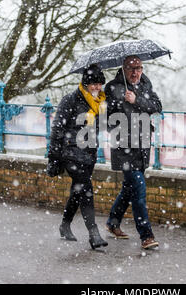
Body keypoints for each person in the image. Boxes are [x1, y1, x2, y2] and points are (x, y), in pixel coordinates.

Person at [46, 64, 108, 250]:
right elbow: (57, 129)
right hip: (70, 153)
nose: (97, 87)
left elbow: (103, 127)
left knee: (78, 190)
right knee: (86, 189)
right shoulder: (71, 100)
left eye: (99, 84)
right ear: (85, 83)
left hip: (89, 154)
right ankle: (94, 234)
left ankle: (65, 225)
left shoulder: (101, 104)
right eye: (93, 84)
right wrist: (54, 157)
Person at [105, 55, 162, 249]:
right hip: (124, 147)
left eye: (139, 68)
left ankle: (113, 223)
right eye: (131, 69)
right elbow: (108, 119)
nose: (136, 72)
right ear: (123, 69)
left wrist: (136, 100)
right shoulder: (113, 88)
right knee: (139, 189)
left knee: (129, 188)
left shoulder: (145, 84)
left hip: (143, 146)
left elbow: (157, 107)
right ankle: (146, 235)